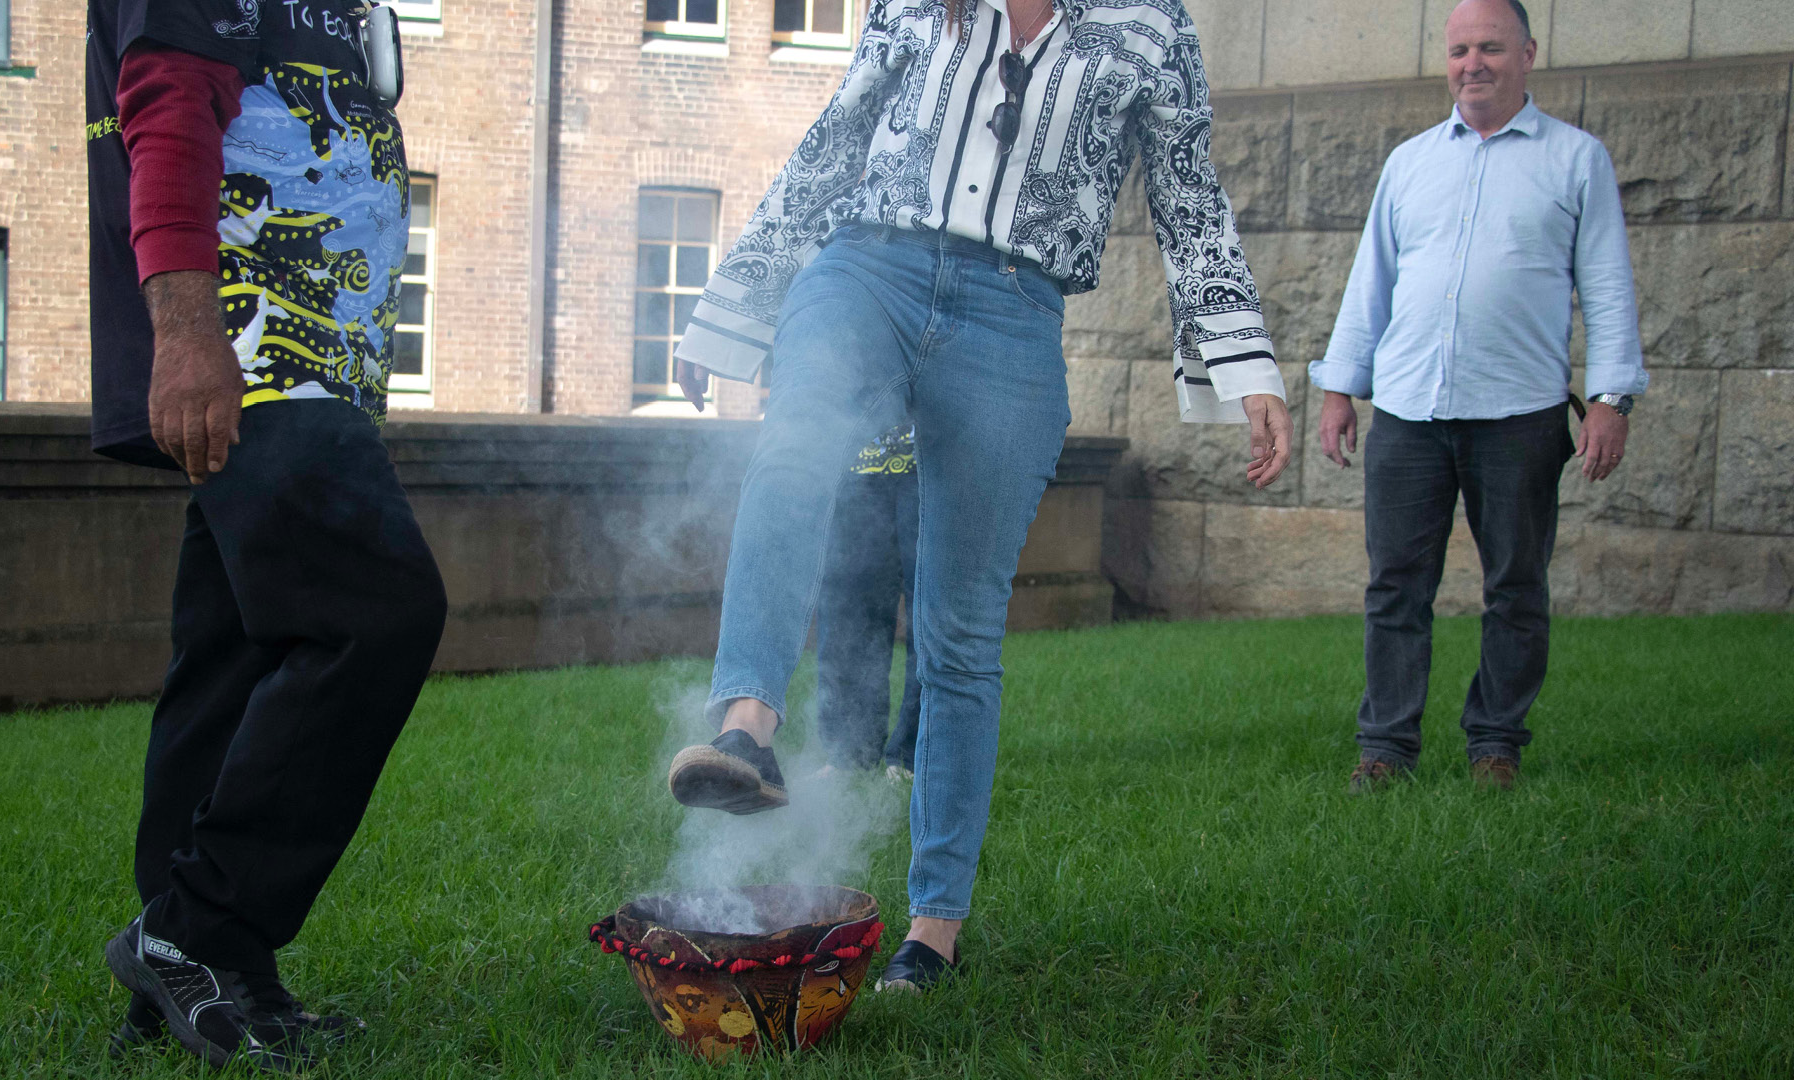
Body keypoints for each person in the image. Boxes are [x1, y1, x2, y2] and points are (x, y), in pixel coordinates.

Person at [665, 0, 1292, 993]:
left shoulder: (1149, 26)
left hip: (1014, 311)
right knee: (796, 444)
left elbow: (1191, 195)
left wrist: (1246, 366)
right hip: (867, 266)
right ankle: (748, 728)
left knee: (959, 629)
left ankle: (932, 939)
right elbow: (835, 138)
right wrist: (730, 309)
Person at [85, 0, 447, 1069]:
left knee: (236, 653)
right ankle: (193, 930)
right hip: (255, 336)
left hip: (304, 356)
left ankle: (203, 977)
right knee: (376, 613)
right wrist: (190, 334)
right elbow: (165, 102)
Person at [1311, 0, 1646, 795]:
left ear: (1527, 54)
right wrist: (1338, 389)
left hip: (1519, 415)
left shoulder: (1575, 159)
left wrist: (1610, 397)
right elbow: (1373, 284)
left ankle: (1496, 745)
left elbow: (1607, 287)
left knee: (1516, 587)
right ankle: (1385, 750)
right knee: (1395, 586)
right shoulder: (1411, 161)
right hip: (1407, 414)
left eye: (1490, 47)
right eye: (1460, 49)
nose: (1473, 64)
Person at [814, 423, 921, 780]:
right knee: (848, 611)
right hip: (855, 456)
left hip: (935, 456)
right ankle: (850, 753)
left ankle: (913, 755)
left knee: (934, 614)